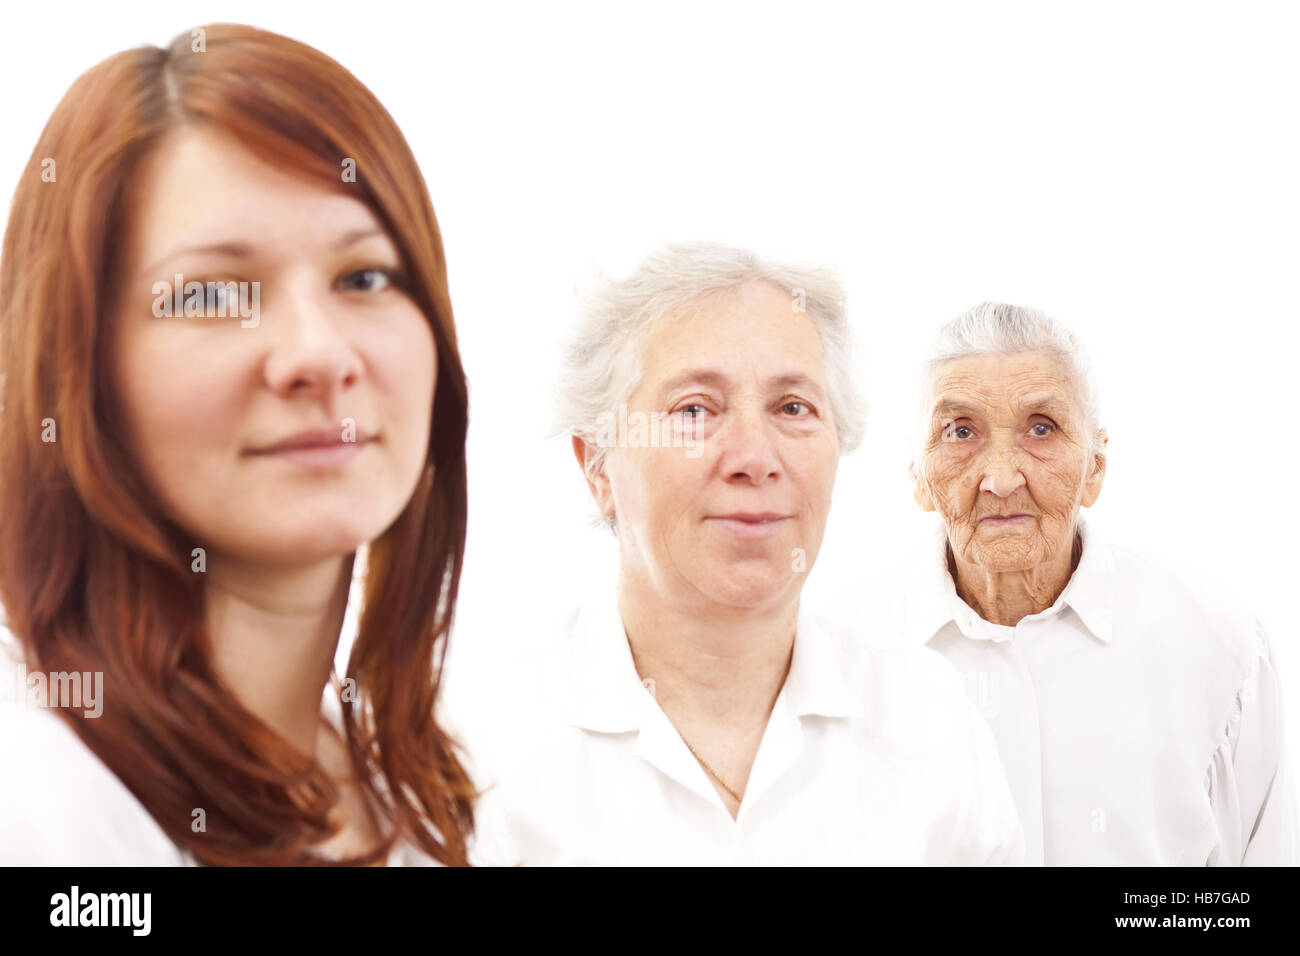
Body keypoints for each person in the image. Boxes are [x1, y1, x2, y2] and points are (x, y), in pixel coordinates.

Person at [0, 24, 476, 865]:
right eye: (214, 294)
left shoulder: (421, 793)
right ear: (79, 367)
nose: (320, 355)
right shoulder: (33, 805)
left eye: (364, 276)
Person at [459, 243, 1025, 865]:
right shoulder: (476, 751)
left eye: (793, 408)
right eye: (694, 410)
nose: (755, 457)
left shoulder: (931, 723)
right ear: (597, 465)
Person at [902, 300, 1297, 865]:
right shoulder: (839, 648)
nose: (1002, 478)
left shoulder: (1220, 642)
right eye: (960, 430)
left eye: (1042, 427)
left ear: (1096, 466)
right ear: (918, 475)